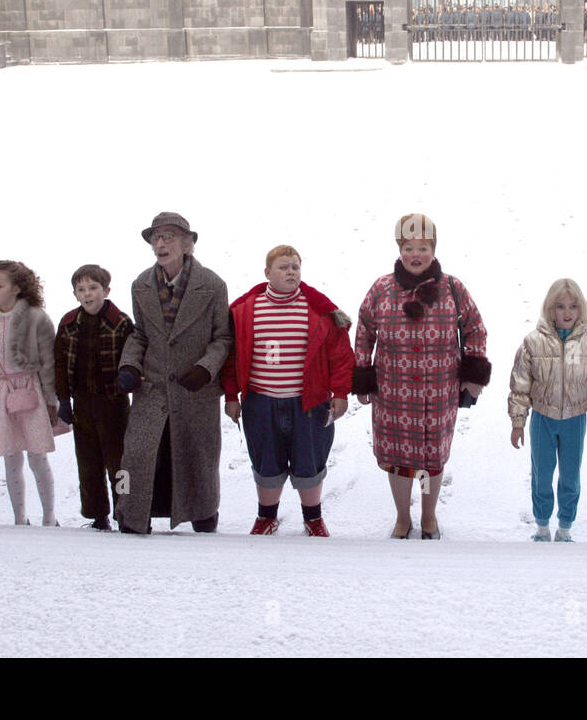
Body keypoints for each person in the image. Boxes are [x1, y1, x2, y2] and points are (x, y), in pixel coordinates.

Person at [353, 214, 491, 539]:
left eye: (424, 247)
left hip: (438, 394)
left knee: (429, 460)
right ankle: (403, 517)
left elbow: (475, 328)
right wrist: (363, 377)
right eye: (409, 247)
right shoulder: (381, 288)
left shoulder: (453, 288)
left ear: (434, 249)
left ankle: (429, 517)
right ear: (400, 249)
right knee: (399, 460)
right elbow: (364, 331)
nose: (416, 254)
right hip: (392, 394)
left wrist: (473, 373)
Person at [221, 245, 354, 536]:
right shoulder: (245, 310)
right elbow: (232, 359)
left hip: (309, 403)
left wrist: (341, 393)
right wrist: (231, 396)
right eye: (283, 267)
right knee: (266, 462)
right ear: (267, 273)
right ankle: (266, 517)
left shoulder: (318, 309)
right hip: (260, 402)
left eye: (295, 266)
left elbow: (341, 354)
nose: (291, 271)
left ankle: (313, 519)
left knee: (310, 462)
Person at [115, 213, 231, 535]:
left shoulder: (213, 285)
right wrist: (129, 365)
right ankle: (132, 514)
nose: (160, 244)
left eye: (168, 237)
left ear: (187, 244)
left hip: (195, 390)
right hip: (151, 388)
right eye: (155, 238)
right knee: (138, 453)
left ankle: (204, 515)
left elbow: (223, 338)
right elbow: (140, 333)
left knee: (197, 456)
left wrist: (205, 369)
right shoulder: (140, 284)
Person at [508, 278, 587, 542]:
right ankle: (542, 525)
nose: (567, 313)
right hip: (543, 417)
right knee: (542, 473)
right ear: (549, 309)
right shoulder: (533, 343)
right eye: (561, 307)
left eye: (573, 307)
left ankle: (565, 526)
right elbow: (520, 385)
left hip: (574, 420)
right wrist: (518, 421)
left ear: (581, 309)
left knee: (570, 474)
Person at [0, 260, 61, 526]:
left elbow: (48, 362)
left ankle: (49, 518)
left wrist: (51, 399)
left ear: (17, 288)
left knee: (37, 457)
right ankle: (20, 519)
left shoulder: (36, 317)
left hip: (30, 392)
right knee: (10, 456)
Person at [54, 264, 134, 531]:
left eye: (93, 288)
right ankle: (97, 515)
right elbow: (59, 365)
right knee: (88, 464)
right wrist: (63, 399)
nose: (87, 294)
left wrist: (128, 380)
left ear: (106, 290)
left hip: (114, 404)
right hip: (83, 404)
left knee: (119, 464)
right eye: (81, 289)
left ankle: (126, 512)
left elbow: (133, 357)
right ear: (75, 294)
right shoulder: (67, 324)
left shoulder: (120, 322)